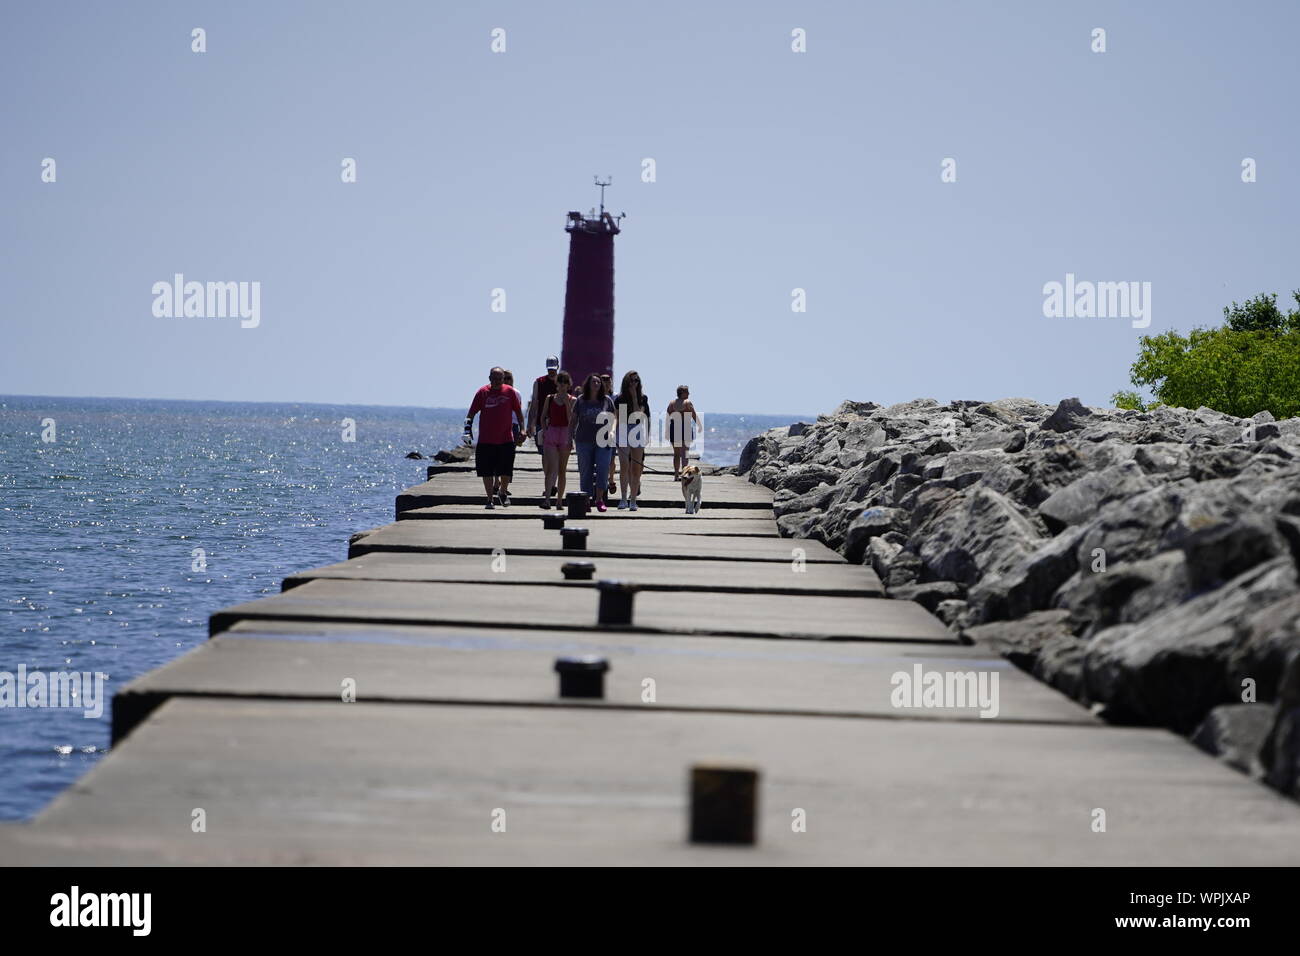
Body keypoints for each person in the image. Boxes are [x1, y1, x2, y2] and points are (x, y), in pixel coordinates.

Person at [464, 367, 524, 509]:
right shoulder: (482, 392)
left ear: (503, 379)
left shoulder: (509, 392)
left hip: (506, 438)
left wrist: (523, 429)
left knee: (505, 470)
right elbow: (471, 414)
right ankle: (489, 499)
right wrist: (467, 430)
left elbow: (519, 413)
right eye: (494, 379)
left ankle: (502, 492)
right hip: (486, 439)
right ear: (489, 378)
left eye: (500, 379)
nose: (497, 382)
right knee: (487, 471)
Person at [571, 373, 616, 512]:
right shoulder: (580, 400)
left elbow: (614, 418)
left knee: (603, 468)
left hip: (603, 440)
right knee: (585, 470)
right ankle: (586, 500)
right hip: (583, 440)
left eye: (598, 382)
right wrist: (569, 436)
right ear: (588, 384)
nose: (596, 384)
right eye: (593, 382)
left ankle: (599, 499)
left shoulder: (607, 400)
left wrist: (612, 431)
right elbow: (573, 420)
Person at [614, 370, 650, 510]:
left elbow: (638, 416)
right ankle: (623, 498)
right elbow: (617, 418)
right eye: (631, 381)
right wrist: (613, 433)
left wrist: (635, 397)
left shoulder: (643, 398)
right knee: (624, 466)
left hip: (636, 430)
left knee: (636, 468)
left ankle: (633, 500)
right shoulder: (619, 398)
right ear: (626, 382)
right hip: (623, 430)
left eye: (636, 380)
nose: (634, 383)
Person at [526, 356, 561, 500]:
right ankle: (549, 482)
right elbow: (534, 403)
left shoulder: (563, 382)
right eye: (550, 369)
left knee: (557, 455)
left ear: (558, 367)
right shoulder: (539, 382)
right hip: (542, 422)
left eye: (553, 369)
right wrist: (530, 424)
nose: (552, 372)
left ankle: (553, 484)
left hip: (559, 423)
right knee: (545, 455)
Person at [539, 370, 575, 509]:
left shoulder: (573, 400)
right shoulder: (550, 398)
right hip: (552, 431)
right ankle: (547, 499)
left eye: (565, 382)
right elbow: (543, 417)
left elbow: (571, 420)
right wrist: (545, 431)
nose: (562, 385)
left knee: (562, 470)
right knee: (551, 469)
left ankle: (559, 500)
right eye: (560, 382)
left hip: (565, 433)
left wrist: (566, 403)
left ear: (568, 384)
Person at [666, 385, 700, 479]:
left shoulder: (672, 403)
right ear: (682, 393)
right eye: (687, 392)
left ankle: (676, 474)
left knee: (676, 453)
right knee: (685, 453)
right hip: (685, 427)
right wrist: (699, 425)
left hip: (675, 426)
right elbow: (693, 415)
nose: (689, 393)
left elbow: (668, 415)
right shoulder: (687, 402)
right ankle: (684, 474)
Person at [600, 373, 618, 495]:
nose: (606, 384)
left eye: (608, 382)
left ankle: (611, 479)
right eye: (604, 381)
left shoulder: (615, 397)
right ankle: (603, 479)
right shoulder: (596, 397)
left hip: (611, 431)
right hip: (598, 431)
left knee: (611, 458)